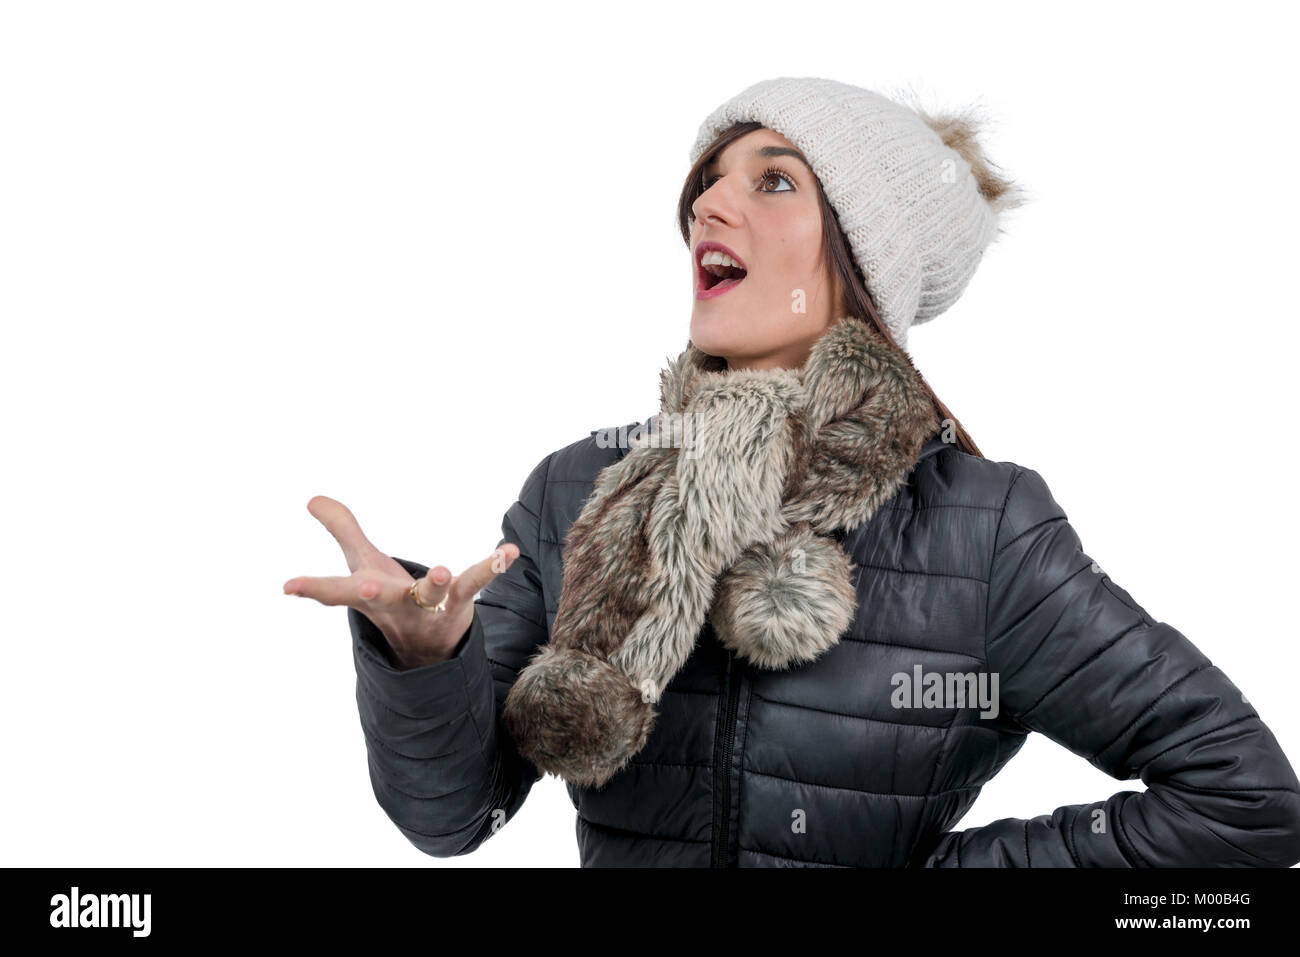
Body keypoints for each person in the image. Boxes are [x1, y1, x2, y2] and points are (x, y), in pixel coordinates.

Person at [284, 77, 1300, 867]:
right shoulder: (576, 491)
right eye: (706, 183)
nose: (709, 204)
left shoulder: (983, 532)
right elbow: (451, 819)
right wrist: (424, 659)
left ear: (864, 258)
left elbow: (1242, 802)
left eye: (772, 181)